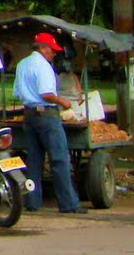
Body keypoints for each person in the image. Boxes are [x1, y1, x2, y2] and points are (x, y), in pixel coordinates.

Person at [13, 31, 86, 216]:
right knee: (59, 159)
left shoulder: (22, 65)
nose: (54, 54)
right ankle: (68, 203)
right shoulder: (43, 66)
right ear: (43, 48)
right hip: (47, 115)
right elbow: (46, 93)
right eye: (52, 50)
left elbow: (17, 93)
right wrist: (63, 102)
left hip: (29, 115)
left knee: (34, 160)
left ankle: (32, 201)